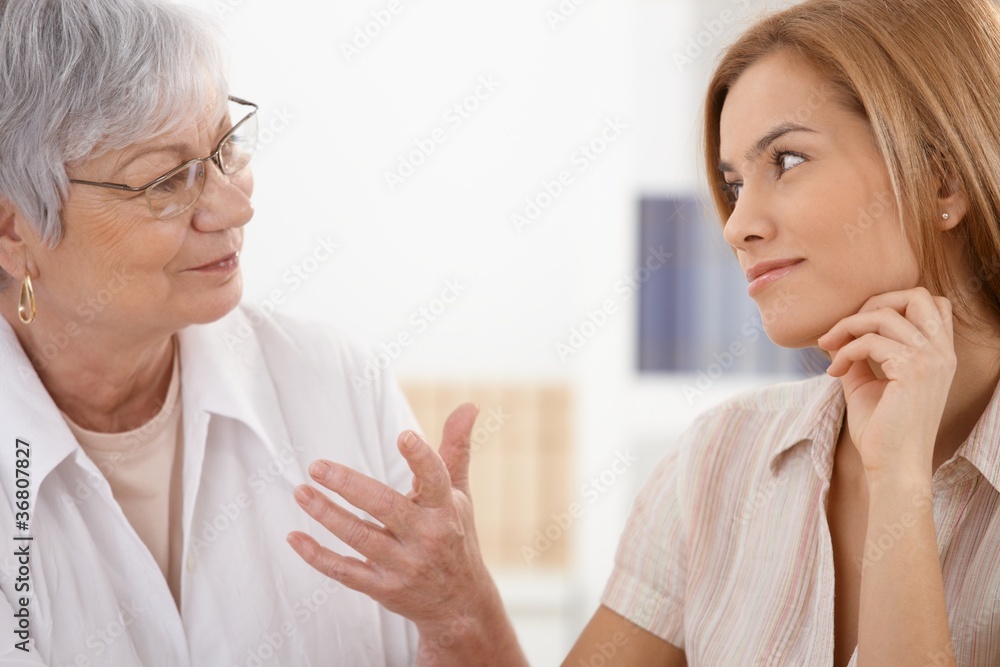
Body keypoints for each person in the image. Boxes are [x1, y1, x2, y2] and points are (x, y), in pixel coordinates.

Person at [287, 0, 1000, 665]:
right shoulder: (718, 462)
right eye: (732, 182)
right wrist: (458, 608)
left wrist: (901, 481)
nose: (736, 224)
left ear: (942, 182)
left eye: (786, 161)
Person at [0, 0, 429, 664]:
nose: (236, 205)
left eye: (226, 148)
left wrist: (467, 612)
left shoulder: (343, 384)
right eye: (166, 181)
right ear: (12, 228)